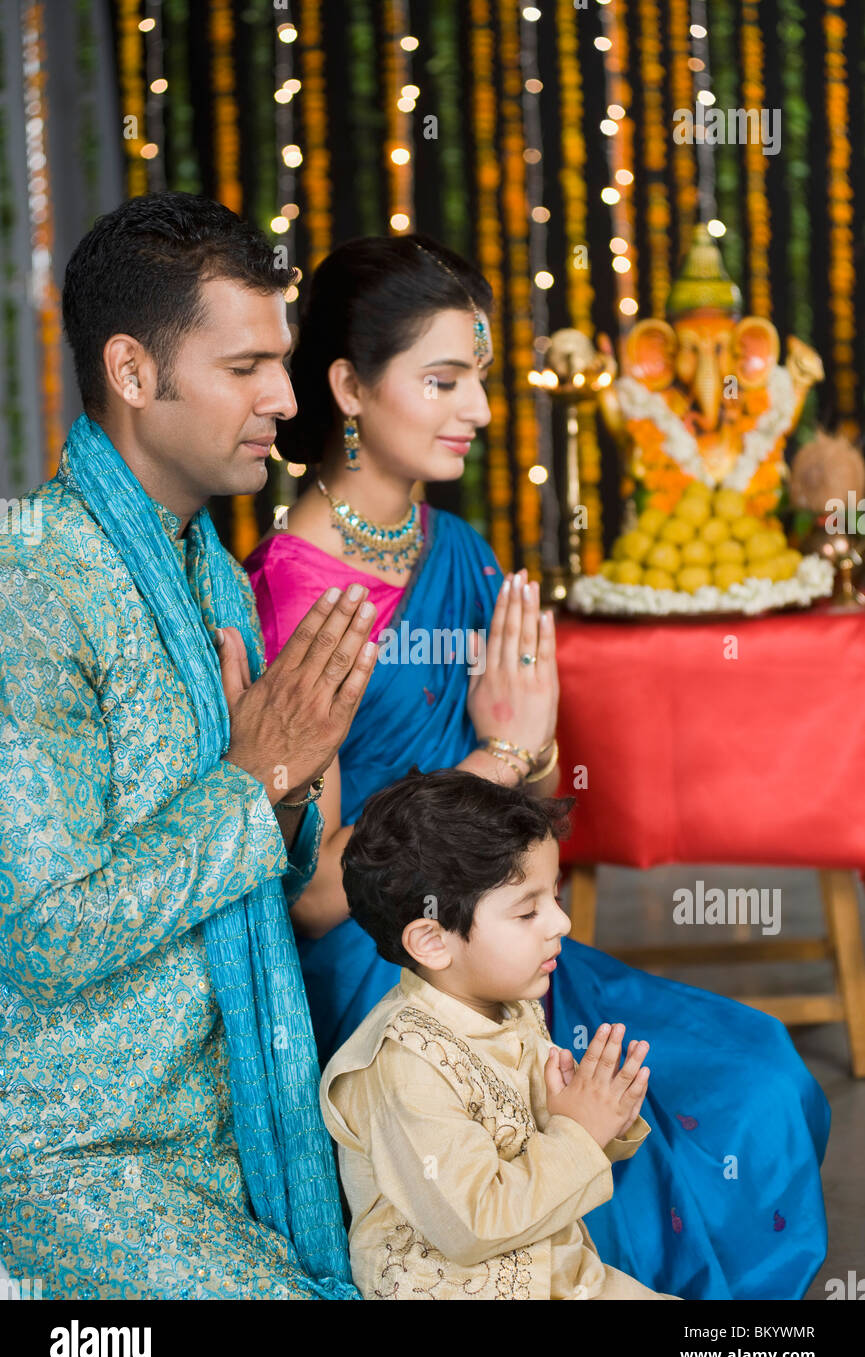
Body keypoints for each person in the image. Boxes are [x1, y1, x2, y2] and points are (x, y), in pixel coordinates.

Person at [243, 231, 831, 1301]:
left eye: (480, 379)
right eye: (443, 380)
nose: (476, 408)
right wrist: (505, 748)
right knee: (628, 1152)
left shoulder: (457, 551)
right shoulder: (297, 597)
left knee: (752, 1072)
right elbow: (315, 890)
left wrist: (533, 742)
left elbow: (520, 783)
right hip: (404, 971)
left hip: (504, 943)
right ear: (347, 387)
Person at [0, 192, 379, 1299]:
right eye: (246, 366)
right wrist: (258, 772)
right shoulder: (32, 588)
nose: (285, 398)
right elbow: (42, 931)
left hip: (231, 1126)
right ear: (131, 372)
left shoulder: (203, 566)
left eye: (285, 362)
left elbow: (266, 855)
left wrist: (294, 778)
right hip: (76, 1151)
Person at [321, 766, 680, 1301]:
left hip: (557, 1272)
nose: (561, 924)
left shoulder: (511, 1008)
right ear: (433, 942)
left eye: (553, 898)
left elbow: (544, 1152)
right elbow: (474, 1226)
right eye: (528, 911)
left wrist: (598, 1114)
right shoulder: (402, 1067)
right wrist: (580, 1132)